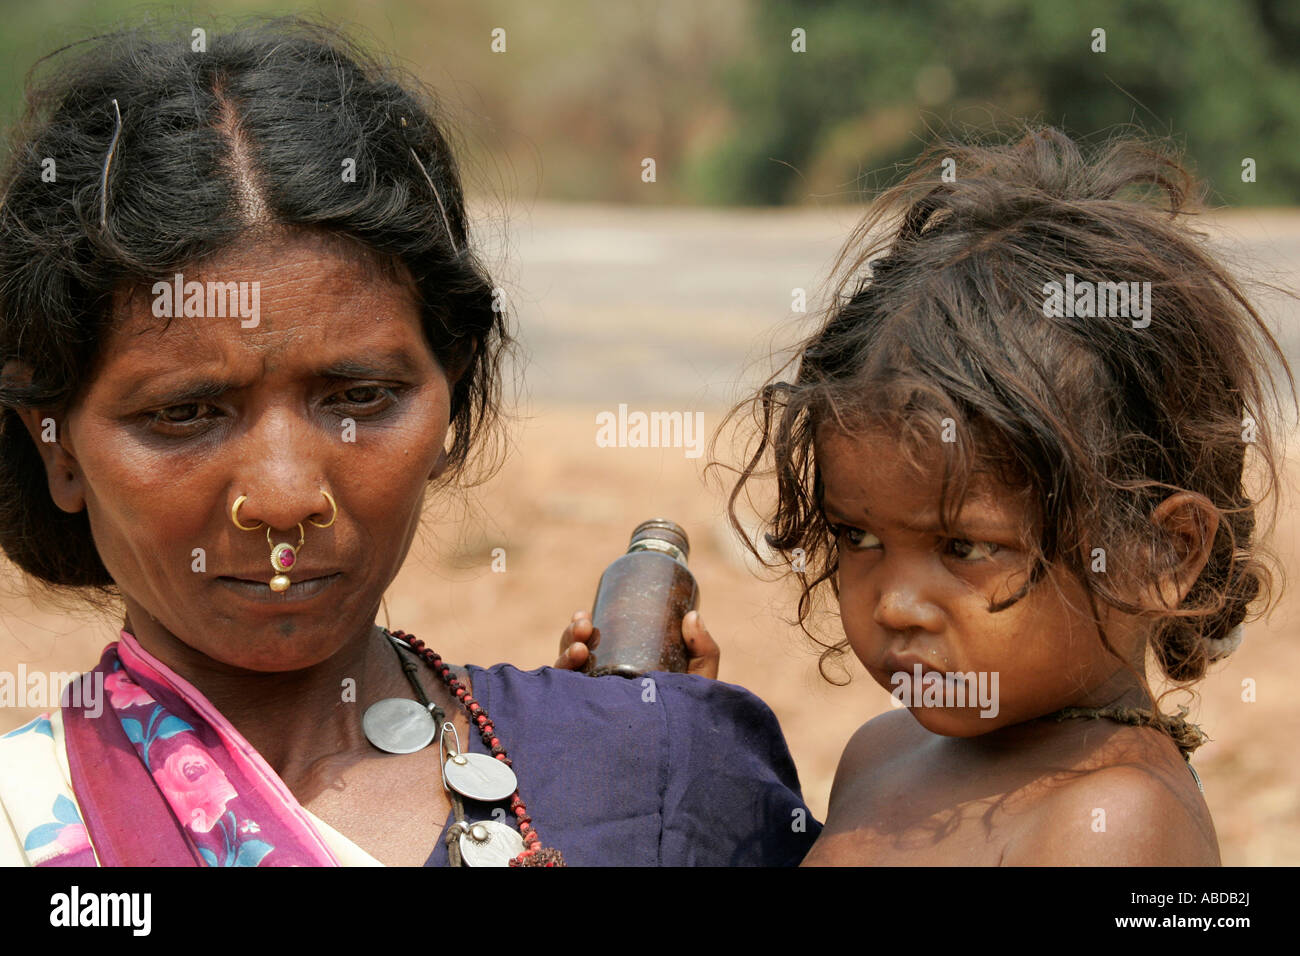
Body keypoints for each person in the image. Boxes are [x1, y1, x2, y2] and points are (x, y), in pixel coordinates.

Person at [0, 17, 816, 867]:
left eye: (359, 398)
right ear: (57, 446)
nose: (283, 498)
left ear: (451, 391)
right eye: (185, 414)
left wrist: (630, 785)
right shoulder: (23, 819)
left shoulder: (651, 770)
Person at [723, 127, 1294, 865]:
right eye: (858, 537)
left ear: (1163, 553)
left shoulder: (1114, 820)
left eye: (964, 547)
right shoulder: (884, 752)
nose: (894, 606)